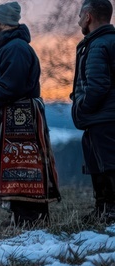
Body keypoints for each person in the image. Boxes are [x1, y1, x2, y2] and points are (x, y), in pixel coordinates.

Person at [0, 1, 60, 227]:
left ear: (2, 22)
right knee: (15, 166)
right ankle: (20, 215)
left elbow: (10, 87)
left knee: (23, 166)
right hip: (12, 119)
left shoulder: (17, 49)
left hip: (20, 120)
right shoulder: (9, 48)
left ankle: (30, 218)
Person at [72, 0, 115, 224]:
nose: (78, 21)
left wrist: (82, 108)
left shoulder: (98, 45)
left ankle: (109, 211)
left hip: (103, 118)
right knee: (101, 165)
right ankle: (103, 210)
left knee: (108, 165)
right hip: (105, 116)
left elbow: (97, 87)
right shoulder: (109, 41)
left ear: (88, 16)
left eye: (80, 16)